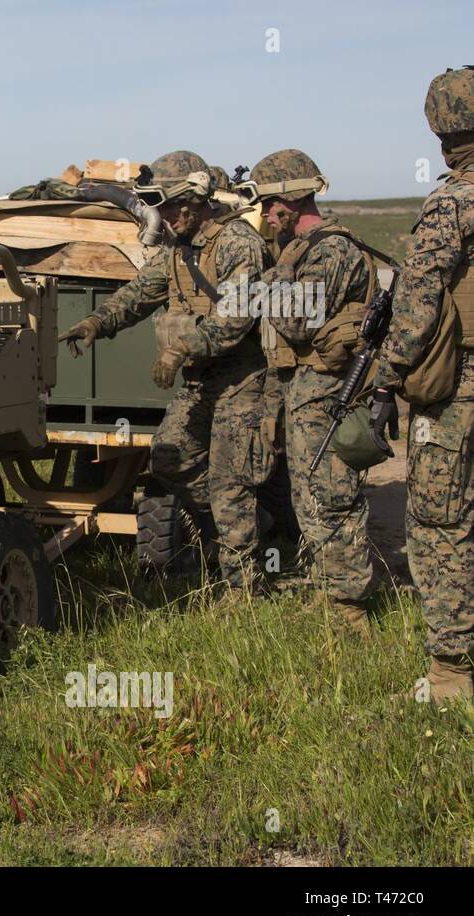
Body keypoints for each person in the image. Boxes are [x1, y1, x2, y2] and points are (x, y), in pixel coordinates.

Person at [58, 150, 274, 589]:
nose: (164, 217)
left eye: (169, 207)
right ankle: (243, 522)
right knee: (169, 458)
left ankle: (245, 589)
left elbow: (234, 319)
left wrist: (178, 351)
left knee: (231, 482)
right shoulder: (177, 247)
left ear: (193, 201)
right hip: (200, 380)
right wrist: (98, 322)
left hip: (243, 380)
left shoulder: (238, 243)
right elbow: (142, 291)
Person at [243, 149, 384, 637]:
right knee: (309, 495)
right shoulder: (298, 253)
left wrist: (267, 281)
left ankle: (350, 608)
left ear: (291, 201)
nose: (264, 216)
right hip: (304, 393)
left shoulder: (331, 251)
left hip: (328, 393)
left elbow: (298, 322)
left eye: (269, 206)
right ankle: (331, 591)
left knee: (332, 495)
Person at [373, 66, 474, 701]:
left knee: (440, 523)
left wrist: (384, 377)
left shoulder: (454, 201)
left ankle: (452, 674)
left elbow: (417, 300)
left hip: (460, 388)